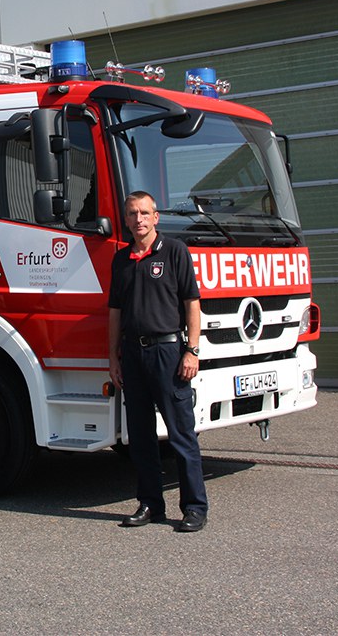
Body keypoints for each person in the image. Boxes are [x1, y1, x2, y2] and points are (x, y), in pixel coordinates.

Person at [108, 191, 208, 532]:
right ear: (126, 219)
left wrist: (191, 351)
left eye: (145, 213)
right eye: (133, 213)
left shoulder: (174, 252)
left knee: (181, 434)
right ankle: (150, 504)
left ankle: (194, 507)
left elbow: (192, 302)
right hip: (133, 356)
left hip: (168, 353)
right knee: (141, 436)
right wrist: (113, 357)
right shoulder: (121, 260)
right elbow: (115, 312)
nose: (139, 219)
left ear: (156, 217)